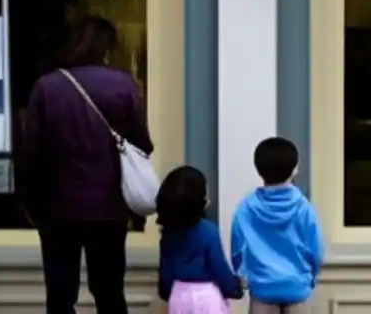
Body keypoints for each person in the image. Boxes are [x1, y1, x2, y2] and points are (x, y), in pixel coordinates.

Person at [19, 16, 154, 314]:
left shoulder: (47, 87)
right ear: (107, 47)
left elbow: (31, 153)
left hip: (58, 209)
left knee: (60, 295)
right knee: (109, 293)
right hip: (108, 208)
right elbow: (142, 144)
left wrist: (32, 205)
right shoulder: (123, 85)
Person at [230, 137, 324, 314]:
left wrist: (245, 276)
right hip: (298, 290)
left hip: (262, 292)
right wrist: (309, 278)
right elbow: (316, 253)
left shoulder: (246, 209)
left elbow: (237, 253)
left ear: (258, 169)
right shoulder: (304, 208)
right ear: (294, 170)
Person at [156, 166, 244, 313]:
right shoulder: (208, 231)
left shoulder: (168, 234)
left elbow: (165, 279)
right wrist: (236, 287)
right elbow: (220, 270)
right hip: (207, 298)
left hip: (178, 298)